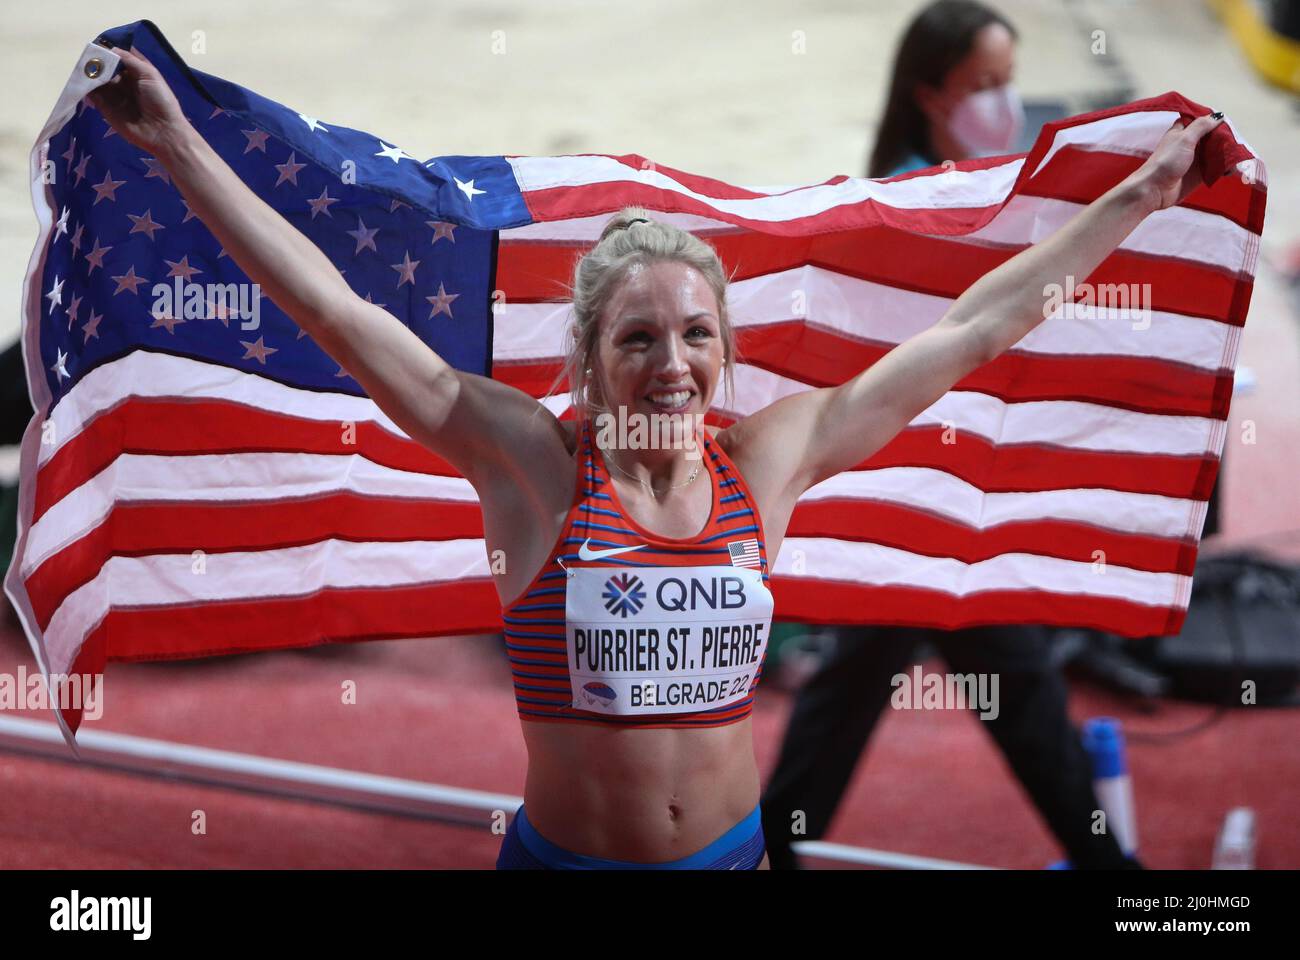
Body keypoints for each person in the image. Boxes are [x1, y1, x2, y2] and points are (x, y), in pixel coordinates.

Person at [89, 43, 1222, 869]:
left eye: (695, 335)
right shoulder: (532, 465)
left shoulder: (769, 460)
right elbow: (336, 314)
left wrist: (1138, 195)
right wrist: (179, 146)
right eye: (637, 339)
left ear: (725, 351)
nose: (671, 364)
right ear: (587, 360)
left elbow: (972, 328)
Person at [762, 0, 1143, 870]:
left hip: (949, 505)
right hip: (917, 506)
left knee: (939, 691)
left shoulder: (991, 186)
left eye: (1011, 80)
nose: (1006, 101)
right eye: (986, 84)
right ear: (931, 93)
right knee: (986, 692)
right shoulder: (911, 206)